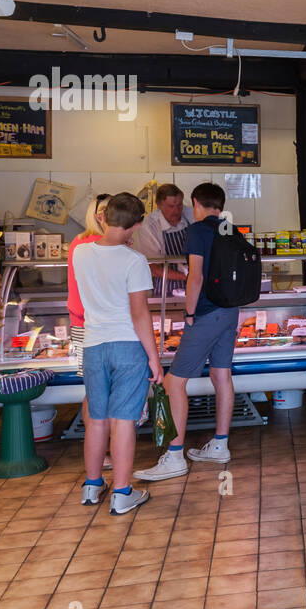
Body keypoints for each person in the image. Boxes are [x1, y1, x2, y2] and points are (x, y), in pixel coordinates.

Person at [135, 182, 237, 481]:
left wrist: (190, 313)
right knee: (221, 375)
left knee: (172, 382)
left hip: (205, 311)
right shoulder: (228, 228)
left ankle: (175, 455)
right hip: (230, 310)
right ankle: (220, 445)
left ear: (195, 202)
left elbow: (196, 276)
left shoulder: (197, 230)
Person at [74, 192, 164, 513]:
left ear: (104, 217)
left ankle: (92, 485)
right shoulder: (134, 261)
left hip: (93, 345)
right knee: (123, 421)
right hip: (127, 346)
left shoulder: (80, 253)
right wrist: (154, 358)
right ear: (137, 225)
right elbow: (140, 314)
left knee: (97, 419)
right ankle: (123, 493)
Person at [68, 193, 112, 470]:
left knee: (96, 390)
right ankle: (102, 453)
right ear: (97, 215)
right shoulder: (92, 244)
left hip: (86, 324)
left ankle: (102, 453)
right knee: (99, 391)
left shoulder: (78, 242)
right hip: (93, 325)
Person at [132, 183, 193, 297]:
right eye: (171, 206)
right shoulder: (149, 227)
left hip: (194, 285)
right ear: (158, 205)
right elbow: (152, 268)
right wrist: (186, 276)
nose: (176, 210)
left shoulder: (191, 214)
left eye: (180, 205)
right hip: (165, 288)